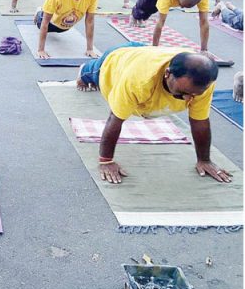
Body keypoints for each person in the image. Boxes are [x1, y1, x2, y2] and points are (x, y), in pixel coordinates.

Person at [76, 44, 231, 184]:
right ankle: (85, 70)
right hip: (117, 59)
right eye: (182, 92)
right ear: (167, 74)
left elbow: (200, 121)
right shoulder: (137, 80)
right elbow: (115, 120)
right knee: (91, 75)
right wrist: (106, 161)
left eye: (194, 95)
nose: (187, 98)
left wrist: (204, 160)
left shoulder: (203, 80)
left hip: (149, 55)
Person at [130, 0, 211, 55]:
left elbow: (204, 21)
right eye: (181, 4)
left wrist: (204, 50)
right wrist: (154, 49)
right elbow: (160, 22)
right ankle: (134, 15)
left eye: (185, 7)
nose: (181, 8)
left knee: (151, 11)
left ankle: (140, 16)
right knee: (144, 8)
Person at [35, 0, 99, 60]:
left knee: (63, 28)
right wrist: (41, 50)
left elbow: (89, 22)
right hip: (51, 23)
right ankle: (39, 12)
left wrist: (90, 49)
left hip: (66, 26)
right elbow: (45, 23)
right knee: (41, 21)